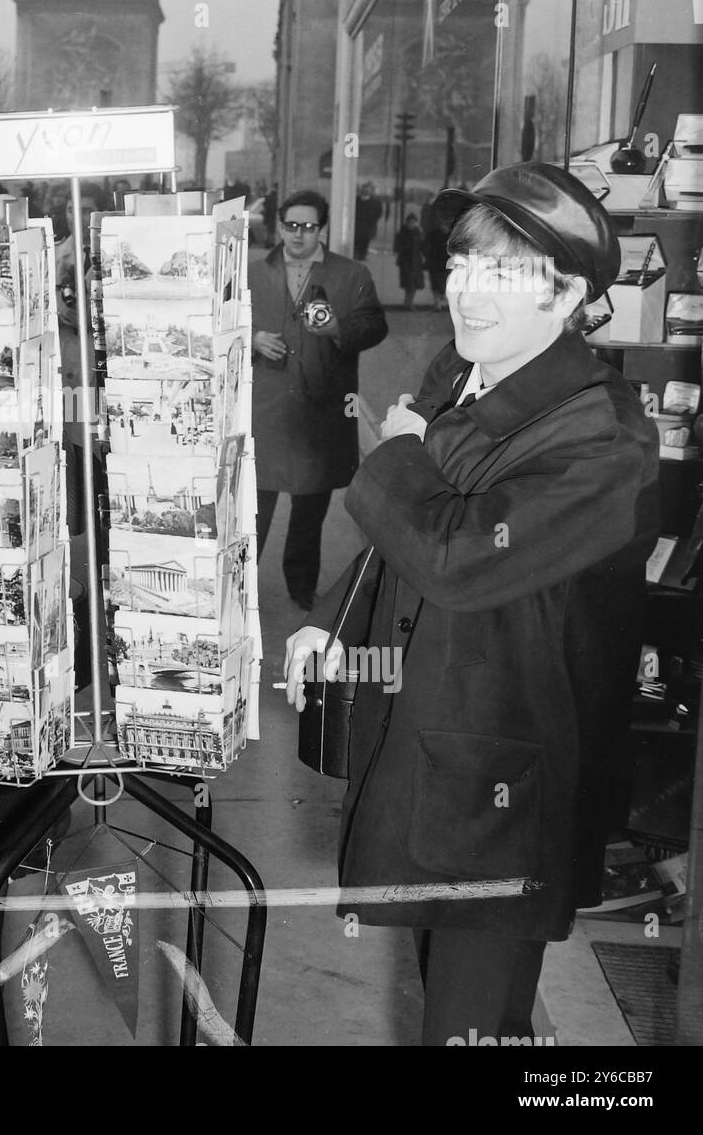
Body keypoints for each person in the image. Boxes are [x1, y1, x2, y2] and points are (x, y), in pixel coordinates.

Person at [284, 162, 659, 1047]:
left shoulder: (604, 433)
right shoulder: (469, 369)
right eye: (459, 265)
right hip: (436, 746)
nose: (466, 292)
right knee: (455, 999)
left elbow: (457, 553)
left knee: (471, 1017)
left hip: (505, 788)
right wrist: (335, 619)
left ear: (568, 294)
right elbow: (404, 546)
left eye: (502, 273)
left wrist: (397, 452)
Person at [250, 189, 387, 611]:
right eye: (290, 226)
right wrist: (251, 337)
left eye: (308, 227)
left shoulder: (351, 274)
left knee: (309, 514)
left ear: (322, 229)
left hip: (320, 413)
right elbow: (219, 321)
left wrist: (336, 330)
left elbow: (374, 327)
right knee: (252, 512)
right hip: (264, 411)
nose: (298, 235)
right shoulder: (252, 272)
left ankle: (301, 590)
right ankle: (238, 590)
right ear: (279, 227)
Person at [421, 200, 450, 311]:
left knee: (445, 284)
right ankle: (438, 302)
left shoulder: (451, 235)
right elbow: (425, 247)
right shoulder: (433, 234)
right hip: (435, 262)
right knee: (436, 284)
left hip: (447, 263)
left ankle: (442, 302)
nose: (445, 227)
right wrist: (428, 257)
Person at [394, 210, 424, 310]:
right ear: (407, 223)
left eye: (413, 222)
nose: (412, 224)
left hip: (416, 262)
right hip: (406, 262)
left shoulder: (418, 232)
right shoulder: (402, 233)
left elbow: (422, 245)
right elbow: (398, 247)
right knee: (409, 284)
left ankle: (408, 303)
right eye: (410, 222)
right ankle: (407, 303)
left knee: (414, 284)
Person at [354, 181, 383, 262]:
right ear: (361, 190)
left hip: (368, 226)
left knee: (365, 241)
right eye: (365, 189)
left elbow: (379, 213)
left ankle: (362, 255)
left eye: (368, 190)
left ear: (371, 191)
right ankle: (356, 254)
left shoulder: (376, 202)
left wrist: (373, 220)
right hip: (357, 225)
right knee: (356, 240)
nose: (366, 191)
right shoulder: (355, 201)